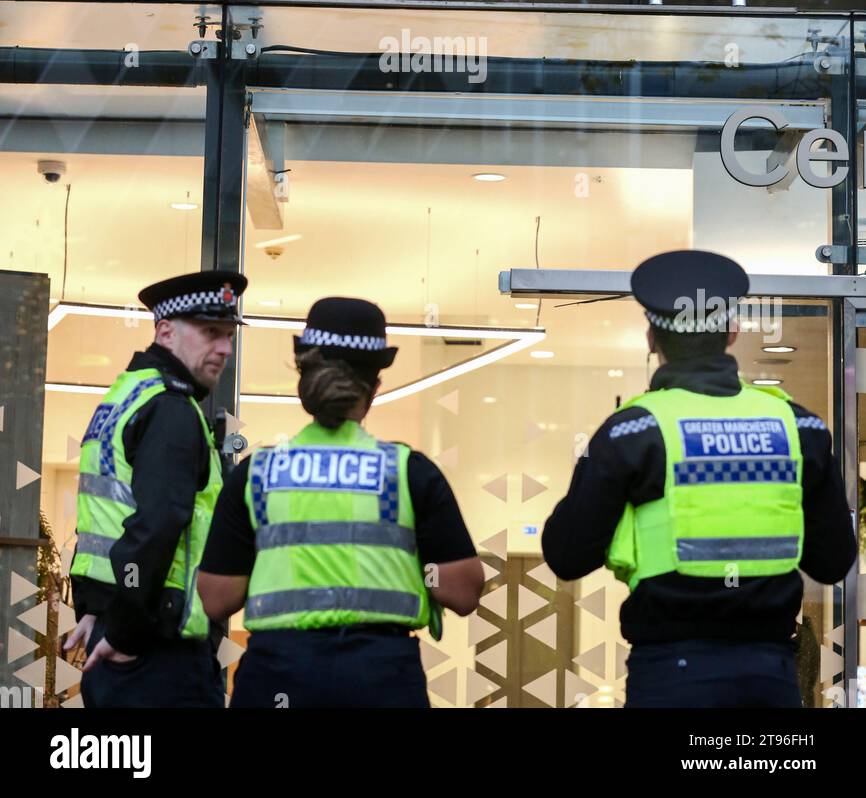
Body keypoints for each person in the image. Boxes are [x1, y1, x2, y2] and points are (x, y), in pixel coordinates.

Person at [542, 250, 857, 709]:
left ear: (651, 337)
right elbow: (833, 562)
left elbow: (566, 555)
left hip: (671, 674)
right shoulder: (798, 428)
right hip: (770, 675)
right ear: (732, 331)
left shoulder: (632, 431)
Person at [198, 296, 484, 708]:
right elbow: (462, 593)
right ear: (375, 386)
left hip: (279, 674)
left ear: (304, 379)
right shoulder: (408, 472)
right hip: (382, 678)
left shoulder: (256, 475)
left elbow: (217, 599)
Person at [64, 269, 247, 708]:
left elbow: (107, 520)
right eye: (209, 333)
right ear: (165, 331)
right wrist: (126, 631)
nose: (224, 347)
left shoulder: (125, 395)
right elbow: (159, 522)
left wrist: (98, 610)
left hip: (124, 634)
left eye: (228, 334)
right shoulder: (170, 409)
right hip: (156, 649)